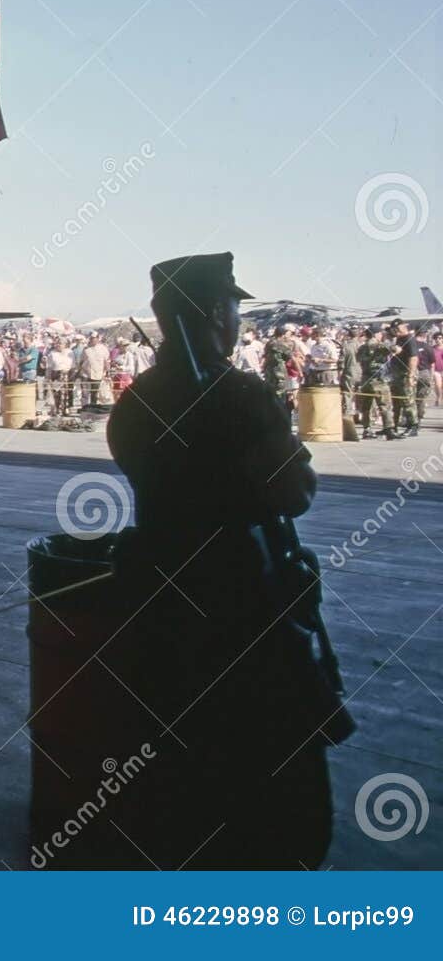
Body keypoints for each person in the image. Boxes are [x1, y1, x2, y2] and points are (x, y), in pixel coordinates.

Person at [105, 252, 346, 868]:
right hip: (250, 604)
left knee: (188, 761)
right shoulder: (241, 396)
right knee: (273, 771)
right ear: (215, 312)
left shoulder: (137, 403)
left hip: (167, 602)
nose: (238, 319)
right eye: (234, 307)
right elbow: (295, 494)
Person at [356, 326, 393, 440]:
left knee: (366, 406)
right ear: (376, 334)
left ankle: (367, 429)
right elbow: (394, 349)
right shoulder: (380, 346)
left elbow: (358, 359)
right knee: (384, 405)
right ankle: (388, 428)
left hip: (366, 379)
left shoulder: (362, 347)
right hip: (379, 379)